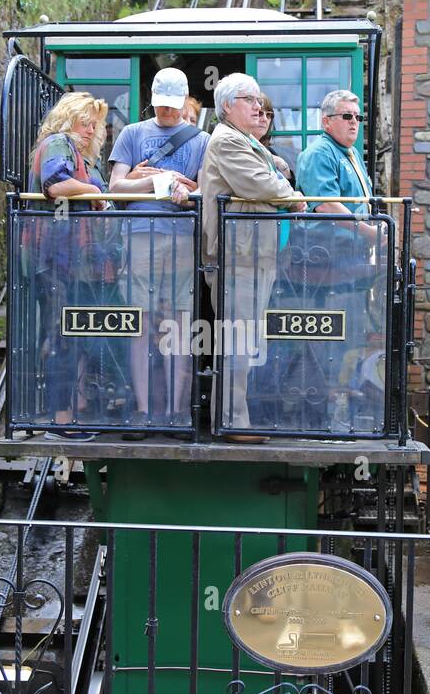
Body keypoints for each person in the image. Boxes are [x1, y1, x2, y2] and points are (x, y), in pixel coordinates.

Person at [199, 73, 305, 436]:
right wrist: (288, 192)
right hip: (235, 257)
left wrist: (278, 177)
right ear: (228, 106)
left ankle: (235, 418)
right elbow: (258, 183)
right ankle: (231, 421)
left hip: (251, 254)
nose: (258, 106)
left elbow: (273, 173)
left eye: (258, 100)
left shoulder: (244, 140)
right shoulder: (227, 140)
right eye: (249, 99)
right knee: (237, 341)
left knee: (246, 340)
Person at [109, 67, 208, 431]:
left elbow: (205, 190)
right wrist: (159, 183)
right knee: (142, 324)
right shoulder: (133, 133)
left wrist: (180, 191)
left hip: (180, 235)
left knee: (177, 324)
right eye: (161, 106)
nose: (166, 112)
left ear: (184, 101)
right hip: (140, 234)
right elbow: (115, 188)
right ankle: (144, 407)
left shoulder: (201, 139)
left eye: (172, 106)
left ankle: (177, 410)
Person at [295, 89, 380, 432]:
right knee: (332, 337)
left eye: (358, 117)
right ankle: (324, 418)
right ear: (326, 121)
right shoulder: (319, 153)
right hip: (326, 257)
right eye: (347, 116)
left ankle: (338, 415)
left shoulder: (350, 155)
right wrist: (367, 231)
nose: (354, 123)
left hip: (348, 259)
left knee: (349, 336)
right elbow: (326, 204)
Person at [27, 92, 109, 428]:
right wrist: (93, 193)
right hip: (56, 258)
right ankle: (62, 420)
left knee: (72, 334)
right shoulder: (59, 142)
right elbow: (56, 183)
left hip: (69, 259)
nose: (90, 130)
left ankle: (72, 408)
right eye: (85, 122)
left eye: (95, 125)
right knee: (62, 336)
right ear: (68, 118)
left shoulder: (81, 158)